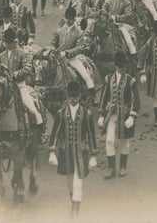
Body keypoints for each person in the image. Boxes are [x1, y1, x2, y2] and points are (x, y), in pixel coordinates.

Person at [48, 80, 98, 217]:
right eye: (71, 96)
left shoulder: (87, 114)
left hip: (82, 153)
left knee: (78, 182)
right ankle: (73, 202)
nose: (73, 99)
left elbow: (92, 135)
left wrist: (93, 156)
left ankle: (75, 211)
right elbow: (55, 133)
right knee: (69, 181)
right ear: (68, 96)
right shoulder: (61, 113)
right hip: (66, 153)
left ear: (80, 96)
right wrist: (52, 151)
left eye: (75, 96)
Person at [97, 50, 139, 178]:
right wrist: (101, 114)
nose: (123, 69)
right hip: (111, 115)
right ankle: (111, 168)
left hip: (125, 116)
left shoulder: (131, 80)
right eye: (121, 67)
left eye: (125, 66)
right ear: (116, 66)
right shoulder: (108, 78)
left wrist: (132, 116)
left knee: (124, 142)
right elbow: (104, 97)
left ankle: (122, 166)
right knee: (109, 141)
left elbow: (136, 100)